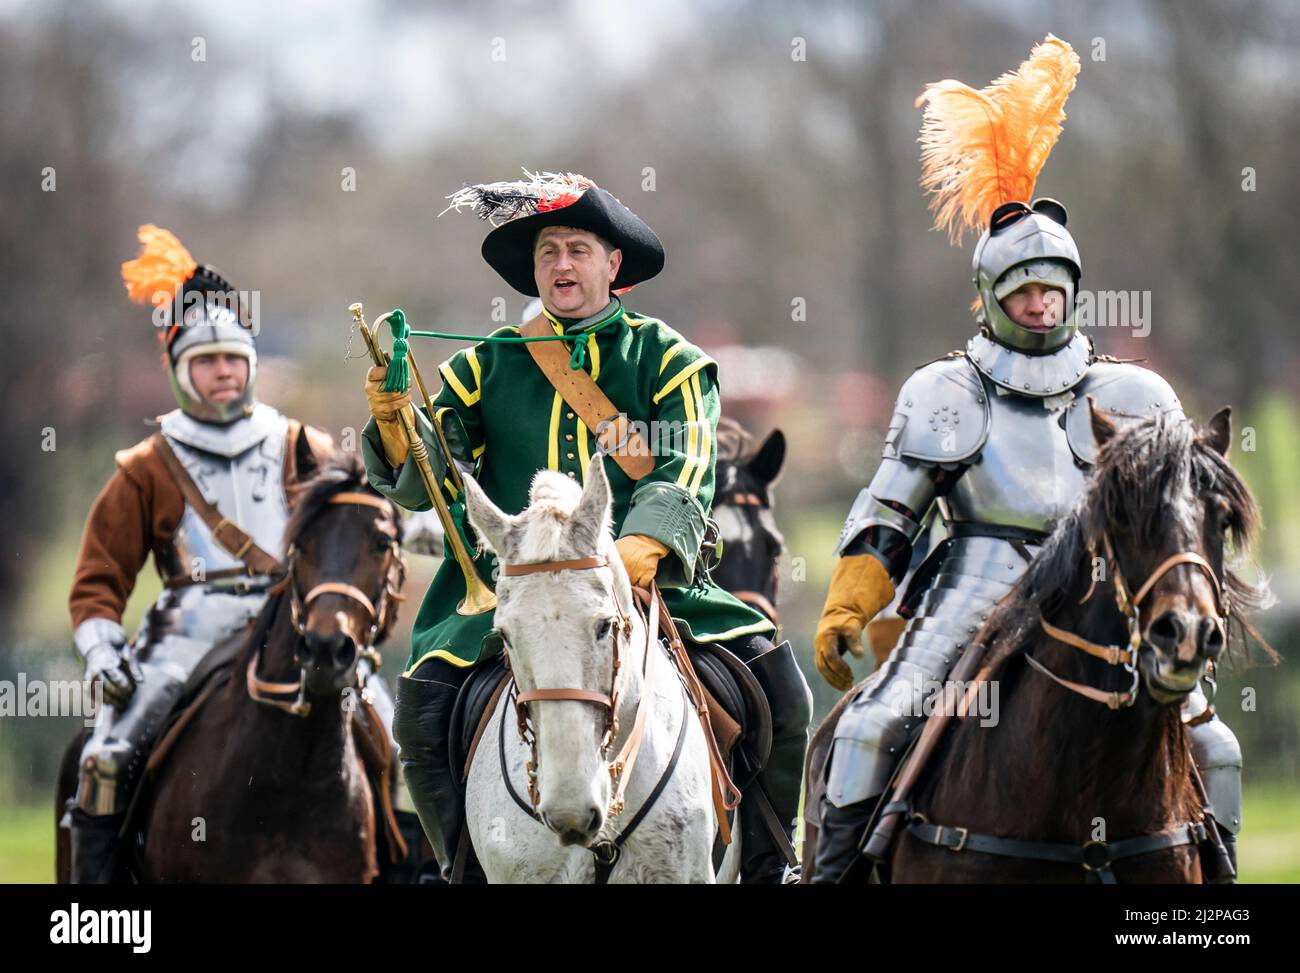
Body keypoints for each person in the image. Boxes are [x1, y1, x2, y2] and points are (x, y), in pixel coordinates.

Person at [810, 36, 1241, 882]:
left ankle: (1214, 897)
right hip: (973, 582)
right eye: (1021, 290)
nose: (1038, 303)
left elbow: (1183, 515)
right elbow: (890, 512)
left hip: (1102, 586)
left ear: (1076, 292)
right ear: (990, 298)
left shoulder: (1143, 398)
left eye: (1052, 288)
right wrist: (847, 607)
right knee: (866, 727)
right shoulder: (945, 389)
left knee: (1214, 746)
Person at [361, 171, 812, 882]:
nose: (561, 265)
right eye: (547, 252)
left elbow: (688, 463)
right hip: (507, 595)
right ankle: (461, 866)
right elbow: (433, 486)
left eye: (577, 248)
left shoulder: (672, 361)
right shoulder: (481, 367)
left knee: (783, 696)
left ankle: (767, 863)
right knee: (419, 715)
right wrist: (394, 421)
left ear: (613, 266)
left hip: (647, 581)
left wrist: (643, 545)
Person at [65, 225, 362, 882]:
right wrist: (102, 648)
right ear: (179, 370)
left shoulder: (302, 445)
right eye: (206, 361)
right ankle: (96, 913)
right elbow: (96, 581)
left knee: (386, 733)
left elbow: (360, 524)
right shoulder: (146, 464)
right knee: (107, 756)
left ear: (252, 364)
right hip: (184, 629)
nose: (223, 371)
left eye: (233, 358)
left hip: (291, 620)